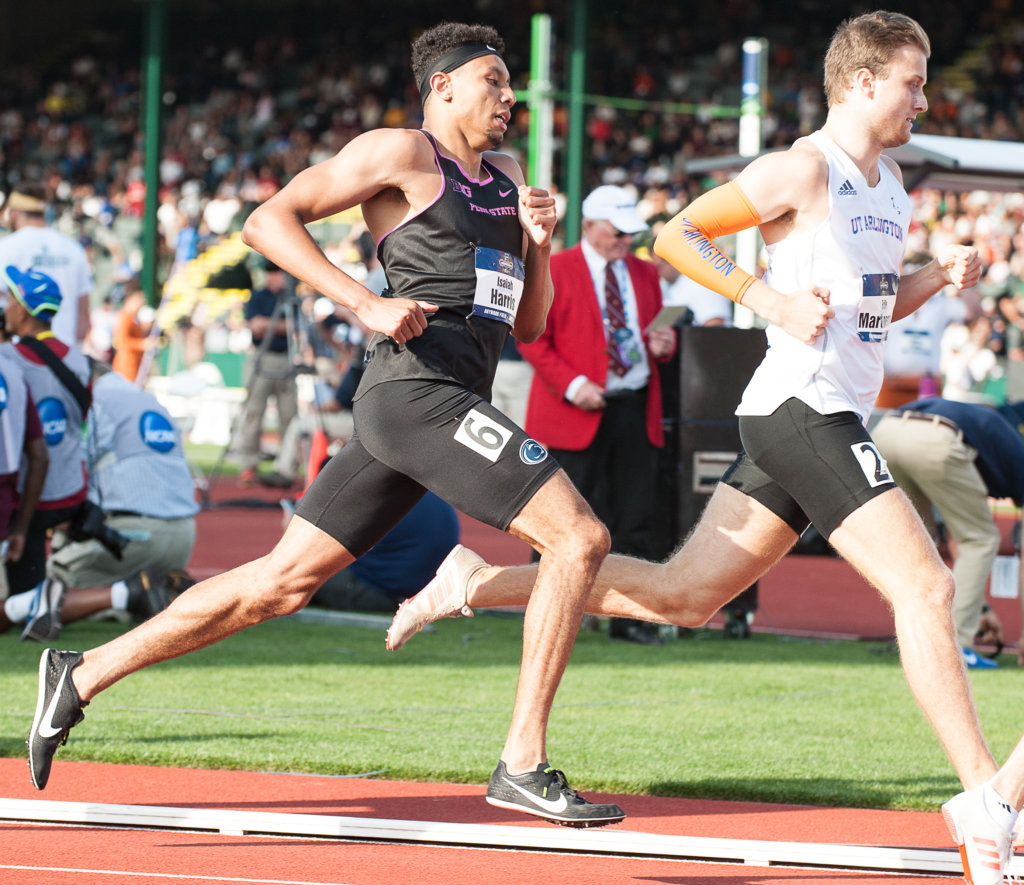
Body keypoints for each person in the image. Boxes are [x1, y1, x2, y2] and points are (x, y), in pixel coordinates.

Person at [385, 12, 1015, 877]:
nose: (925, 95)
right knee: (928, 581)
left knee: (684, 597)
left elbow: (874, 307)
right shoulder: (803, 167)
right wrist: (770, 300)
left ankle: (475, 580)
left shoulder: (893, 182)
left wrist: (939, 276)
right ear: (864, 81)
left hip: (822, 412)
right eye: (914, 79)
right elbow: (675, 235)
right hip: (802, 409)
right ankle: (983, 796)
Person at [28, 22, 622, 829]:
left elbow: (527, 327)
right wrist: (362, 298)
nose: (509, 97)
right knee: (579, 537)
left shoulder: (511, 176)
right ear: (442, 86)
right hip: (416, 393)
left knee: (279, 583)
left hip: (440, 402)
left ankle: (81, 671)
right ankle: (521, 761)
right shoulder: (402, 155)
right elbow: (266, 221)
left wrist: (542, 247)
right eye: (493, 80)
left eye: (511, 83)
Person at [517, 184, 676, 644]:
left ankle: (630, 619)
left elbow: (655, 337)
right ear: (589, 227)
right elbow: (531, 338)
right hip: (572, 409)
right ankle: (546, 614)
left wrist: (664, 346)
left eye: (630, 233)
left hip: (632, 406)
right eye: (617, 232)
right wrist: (572, 384)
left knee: (634, 517)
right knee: (558, 519)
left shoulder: (644, 275)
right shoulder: (556, 268)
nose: (626, 241)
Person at [13, 361, 199, 641]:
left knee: (38, 588)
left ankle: (128, 594)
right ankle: (161, 589)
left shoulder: (95, 402)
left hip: (130, 536)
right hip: (183, 536)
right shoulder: (148, 400)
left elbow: (67, 470)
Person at [871, 398, 1024, 671]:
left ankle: (918, 640)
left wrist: (981, 608)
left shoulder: (987, 426)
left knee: (918, 542)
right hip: (936, 440)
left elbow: (956, 536)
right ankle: (957, 646)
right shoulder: (1016, 451)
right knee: (982, 539)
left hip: (886, 432)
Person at [1, 266, 91, 605]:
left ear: (22, 310)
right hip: (69, 487)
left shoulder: (8, 360)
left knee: (20, 600)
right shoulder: (79, 361)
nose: (5, 306)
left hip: (25, 496)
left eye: (9, 299)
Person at [312, 491, 460, 613]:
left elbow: (332, 545)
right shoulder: (433, 493)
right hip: (430, 597)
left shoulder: (381, 494)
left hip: (386, 595)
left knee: (304, 570)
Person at [0, 183, 93, 346]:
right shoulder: (73, 248)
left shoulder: (5, 247)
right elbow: (84, 318)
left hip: (19, 357)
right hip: (64, 355)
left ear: (14, 213)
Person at [237, 262, 299, 486]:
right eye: (273, 274)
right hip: (262, 357)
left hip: (286, 358)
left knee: (289, 416)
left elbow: (296, 327)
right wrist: (281, 325)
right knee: (254, 413)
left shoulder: (291, 297)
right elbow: (255, 326)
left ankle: (285, 468)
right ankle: (248, 466)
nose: (277, 278)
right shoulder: (258, 296)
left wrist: (271, 325)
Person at [0, 345, 48, 619]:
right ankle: (31, 602)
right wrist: (20, 528)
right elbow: (40, 456)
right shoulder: (14, 373)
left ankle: (34, 602)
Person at [111, 287, 157, 384]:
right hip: (127, 366)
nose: (142, 303)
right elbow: (121, 341)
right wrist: (142, 344)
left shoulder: (132, 317)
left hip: (135, 364)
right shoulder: (124, 317)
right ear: (130, 300)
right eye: (139, 299)